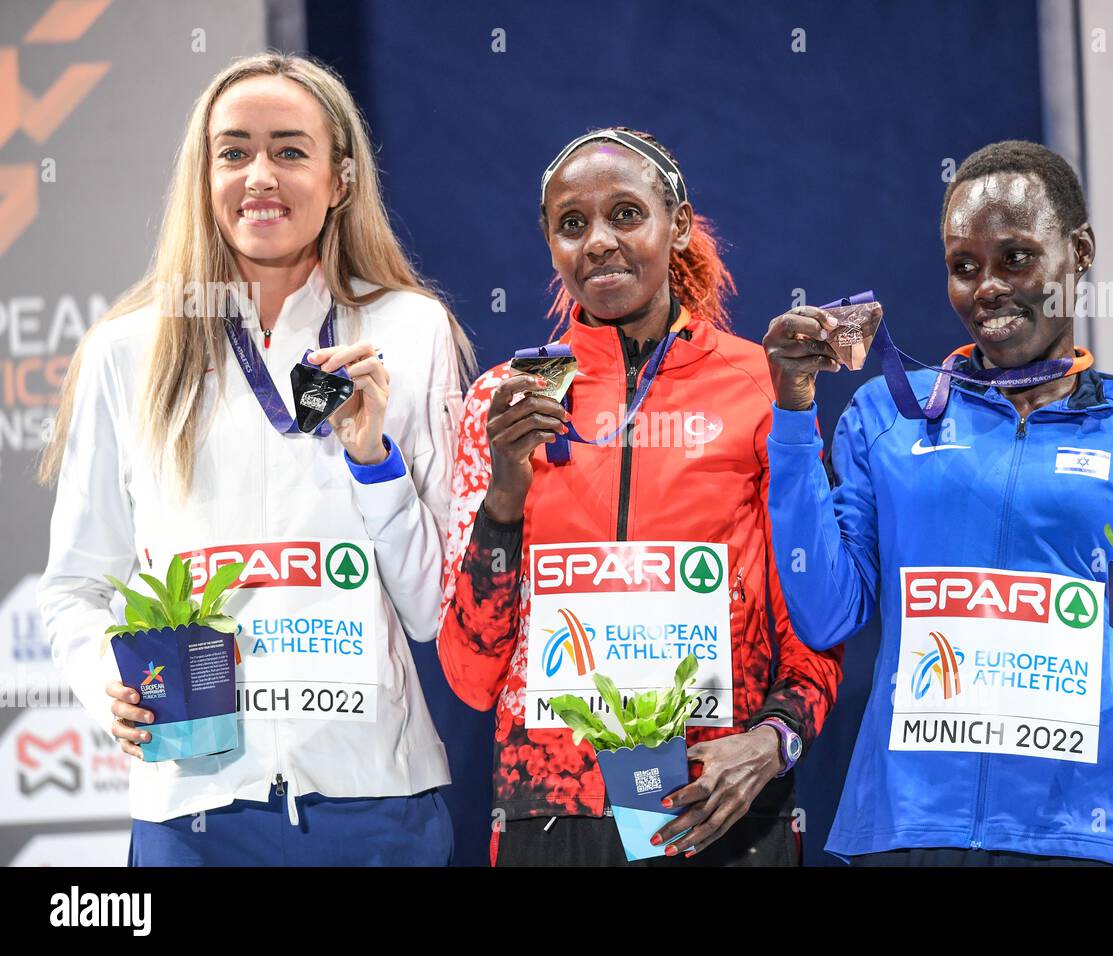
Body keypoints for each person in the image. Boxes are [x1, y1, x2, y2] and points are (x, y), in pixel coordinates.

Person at [37, 52, 473, 866]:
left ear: (341, 178)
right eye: (233, 151)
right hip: (195, 802)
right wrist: (113, 686)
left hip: (374, 800)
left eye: (290, 150)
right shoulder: (127, 351)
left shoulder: (411, 331)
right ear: (203, 176)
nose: (259, 176)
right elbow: (73, 585)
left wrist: (372, 460)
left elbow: (432, 611)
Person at [762, 140, 1113, 867]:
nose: (986, 287)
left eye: (1015, 258)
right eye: (965, 266)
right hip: (909, 833)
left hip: (1083, 839)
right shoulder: (885, 418)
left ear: (1080, 252)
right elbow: (826, 612)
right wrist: (795, 418)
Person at [437, 127, 843, 866]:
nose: (598, 241)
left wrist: (769, 744)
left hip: (720, 804)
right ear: (550, 243)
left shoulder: (761, 387)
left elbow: (817, 629)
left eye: (626, 214)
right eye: (572, 224)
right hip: (549, 809)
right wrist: (504, 492)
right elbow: (469, 674)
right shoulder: (505, 399)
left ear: (678, 225)